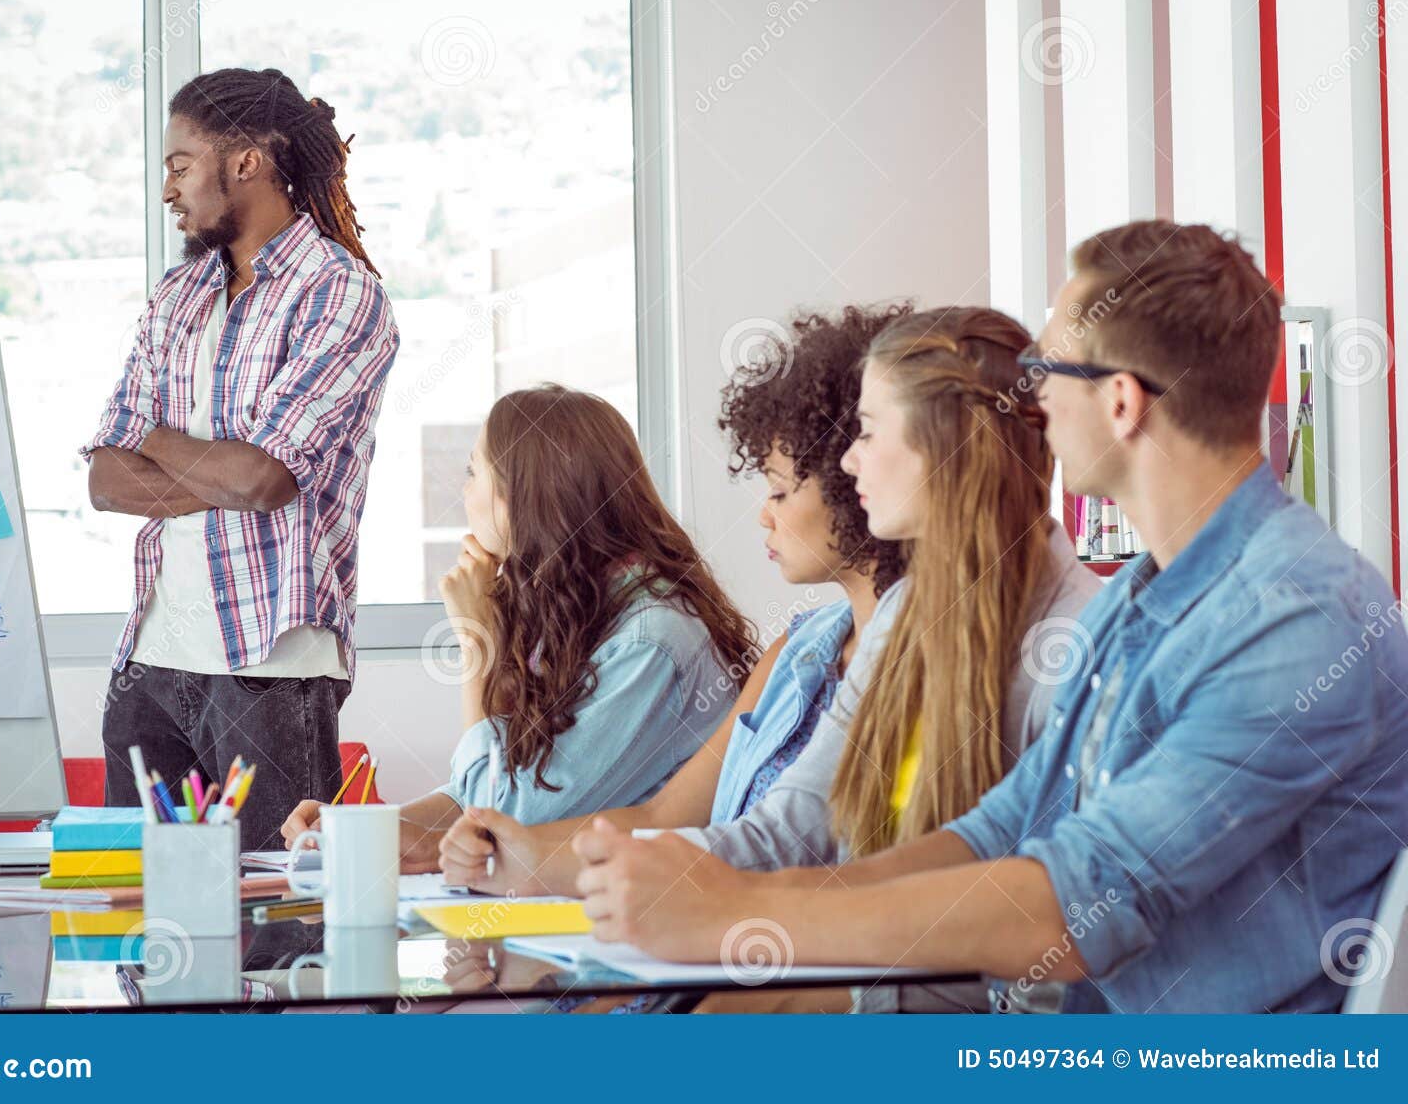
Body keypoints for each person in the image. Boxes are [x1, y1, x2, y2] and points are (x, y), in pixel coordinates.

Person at [576, 222, 1408, 1014]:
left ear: (1121, 402)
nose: (1032, 399)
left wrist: (741, 922)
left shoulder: (1294, 617)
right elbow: (1001, 827)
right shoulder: (1145, 595)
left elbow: (1082, 898)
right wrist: (756, 902)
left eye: (1050, 368)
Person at [438, 305, 909, 900]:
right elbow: (666, 817)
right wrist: (401, 839)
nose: (764, 513)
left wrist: (478, 649)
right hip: (725, 931)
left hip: (770, 951)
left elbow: (771, 844)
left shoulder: (655, 637)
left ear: (853, 486)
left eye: (780, 490)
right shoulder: (800, 647)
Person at [81, 67, 399, 849]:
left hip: (270, 660)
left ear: (246, 162)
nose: (167, 189)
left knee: (277, 933)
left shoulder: (339, 294)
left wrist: (153, 437)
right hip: (151, 664)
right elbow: (104, 478)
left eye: (180, 164)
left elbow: (264, 480)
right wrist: (210, 463)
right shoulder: (176, 297)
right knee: (143, 929)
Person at [283, 385, 756, 871]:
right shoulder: (576, 612)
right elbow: (480, 787)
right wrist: (355, 830)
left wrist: (476, 644)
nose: (464, 493)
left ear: (520, 499)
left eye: (473, 472)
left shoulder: (652, 641)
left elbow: (502, 816)